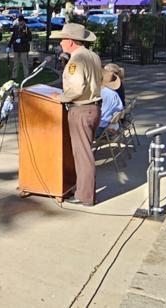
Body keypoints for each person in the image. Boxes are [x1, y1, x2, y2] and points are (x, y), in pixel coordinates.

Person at [48, 23, 102, 207]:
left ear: (71, 41)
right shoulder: (93, 56)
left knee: (83, 155)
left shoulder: (76, 61)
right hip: (93, 108)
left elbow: (77, 88)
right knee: (84, 153)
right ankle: (82, 189)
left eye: (63, 39)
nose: (61, 42)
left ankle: (85, 195)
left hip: (80, 109)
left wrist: (61, 97)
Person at [97, 71, 124, 138]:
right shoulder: (114, 93)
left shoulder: (104, 93)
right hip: (115, 124)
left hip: (103, 127)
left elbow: (103, 115)